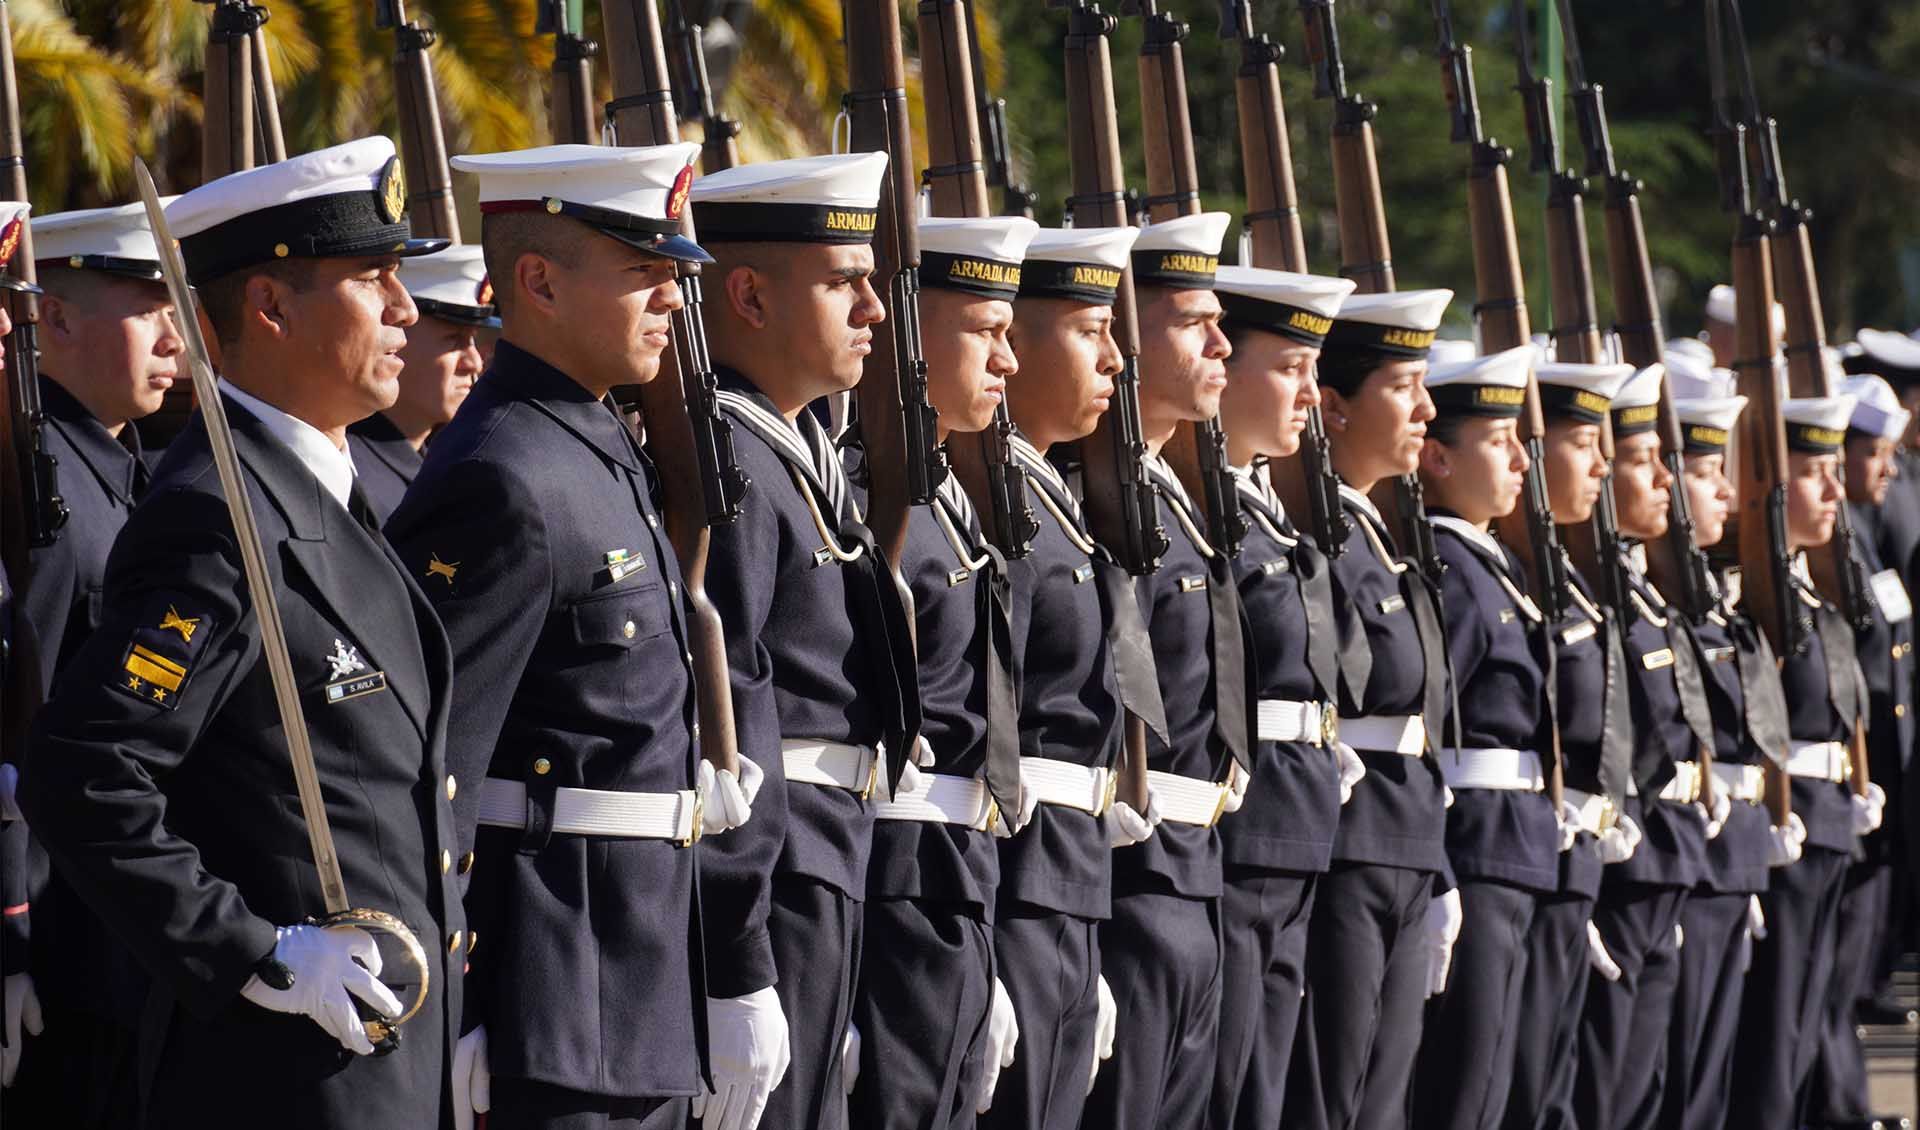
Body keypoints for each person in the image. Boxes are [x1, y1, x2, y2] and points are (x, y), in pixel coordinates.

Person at [16, 136, 464, 1129]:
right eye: (373, 278)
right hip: (283, 1076)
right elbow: (84, 772)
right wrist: (254, 952)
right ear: (269, 305)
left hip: (374, 1059)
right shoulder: (215, 515)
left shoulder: (316, 487)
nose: (405, 308)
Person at [386, 142, 765, 1130]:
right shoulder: (501, 470)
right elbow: (432, 763)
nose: (673, 296)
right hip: (547, 997)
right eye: (643, 271)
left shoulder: (596, 445)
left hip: (637, 987)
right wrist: (458, 998)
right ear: (540, 282)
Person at [687, 152, 919, 1130]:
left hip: (827, 865)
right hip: (775, 879)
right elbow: (725, 719)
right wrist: (737, 959)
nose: (874, 308)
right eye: (843, 283)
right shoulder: (728, 465)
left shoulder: (796, 457)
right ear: (747, 295)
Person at [844, 215, 1034, 1128]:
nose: (1008, 361)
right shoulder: (866, 494)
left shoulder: (943, 497)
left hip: (956, 879)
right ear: (913, 340)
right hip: (894, 887)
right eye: (985, 332)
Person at [5, 197, 185, 1129]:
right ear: (57, 319)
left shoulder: (132, 474)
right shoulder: (32, 482)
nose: (175, 337)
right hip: (57, 933)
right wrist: (9, 935)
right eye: (149, 308)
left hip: (124, 928)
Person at [979, 223, 1148, 1130]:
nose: (1117, 358)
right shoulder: (994, 504)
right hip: (1018, 884)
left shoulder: (1055, 499)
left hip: (1069, 884)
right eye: (1091, 331)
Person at [1281, 287, 1456, 1130]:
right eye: (1404, 387)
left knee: (1382, 1100)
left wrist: (1440, 867)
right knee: (1332, 1097)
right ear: (1336, 407)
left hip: (1406, 839)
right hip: (1349, 845)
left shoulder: (1381, 534)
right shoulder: (1313, 532)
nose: (1427, 409)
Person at [1080, 211, 1241, 1130]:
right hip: (1129, 884)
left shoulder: (1172, 495)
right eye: (1193, 323)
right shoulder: (1089, 498)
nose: (1221, 344)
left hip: (1194, 872)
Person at [1202, 264, 1355, 1130]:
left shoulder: (1266, 509)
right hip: (1241, 828)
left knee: (1264, 1095)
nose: (1308, 393)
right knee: (1221, 1093)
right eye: (1291, 367)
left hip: (1296, 826)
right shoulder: (1200, 511)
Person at [1408, 346, 1563, 1130]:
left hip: (1511, 843)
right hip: (1474, 846)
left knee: (1499, 1080)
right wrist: (1438, 871)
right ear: (1438, 458)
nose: (1521, 461)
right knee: (1464, 1087)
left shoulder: (1492, 564)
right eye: (1499, 441)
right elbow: (1426, 726)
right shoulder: (1448, 567)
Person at [1574, 363, 1717, 1130]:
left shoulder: (1645, 592)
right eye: (1641, 460)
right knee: (1599, 1090)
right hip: (1620, 870)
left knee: (1640, 1090)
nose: (1665, 479)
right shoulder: (1593, 595)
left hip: (1665, 858)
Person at [1727, 393, 1876, 1130]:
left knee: (1807, 1024)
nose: (1834, 491)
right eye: (1814, 473)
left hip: (1828, 825)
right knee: (1770, 1036)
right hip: (1786, 830)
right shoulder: (1753, 595)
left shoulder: (1811, 587)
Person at [1500, 360, 1640, 1130]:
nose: (1602, 468)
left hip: (1567, 853)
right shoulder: (1508, 572)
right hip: (1520, 851)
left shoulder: (1567, 576)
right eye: (1583, 445)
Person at [1656, 389, 1797, 1130]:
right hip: (1685, 858)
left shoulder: (1717, 599)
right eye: (1706, 474)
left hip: (1726, 855)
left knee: (1708, 1083)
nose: (1727, 495)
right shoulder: (1663, 604)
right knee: (1671, 1080)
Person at [1806, 374, 1915, 1130]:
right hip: (1843, 783)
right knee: (1832, 963)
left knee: (1851, 959)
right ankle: (1836, 1105)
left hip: (1879, 785)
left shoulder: (1863, 536)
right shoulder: (1831, 546)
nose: (1889, 468)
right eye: (1874, 453)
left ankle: (1845, 1101)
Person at [348, 244, 493, 522]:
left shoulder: (442, 462)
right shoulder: (354, 475)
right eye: (454, 340)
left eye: (473, 340)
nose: (474, 362)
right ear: (397, 340)